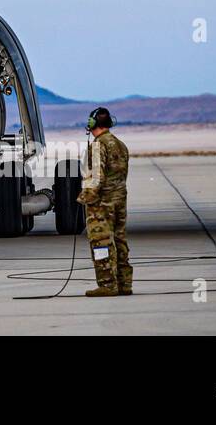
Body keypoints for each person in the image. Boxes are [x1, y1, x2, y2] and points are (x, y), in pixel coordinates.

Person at [77, 106, 132, 297]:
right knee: (119, 239)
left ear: (92, 123)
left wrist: (85, 198)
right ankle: (124, 283)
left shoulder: (98, 145)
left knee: (100, 241)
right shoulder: (120, 145)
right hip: (119, 200)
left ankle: (107, 284)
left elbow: (96, 177)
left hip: (101, 204)